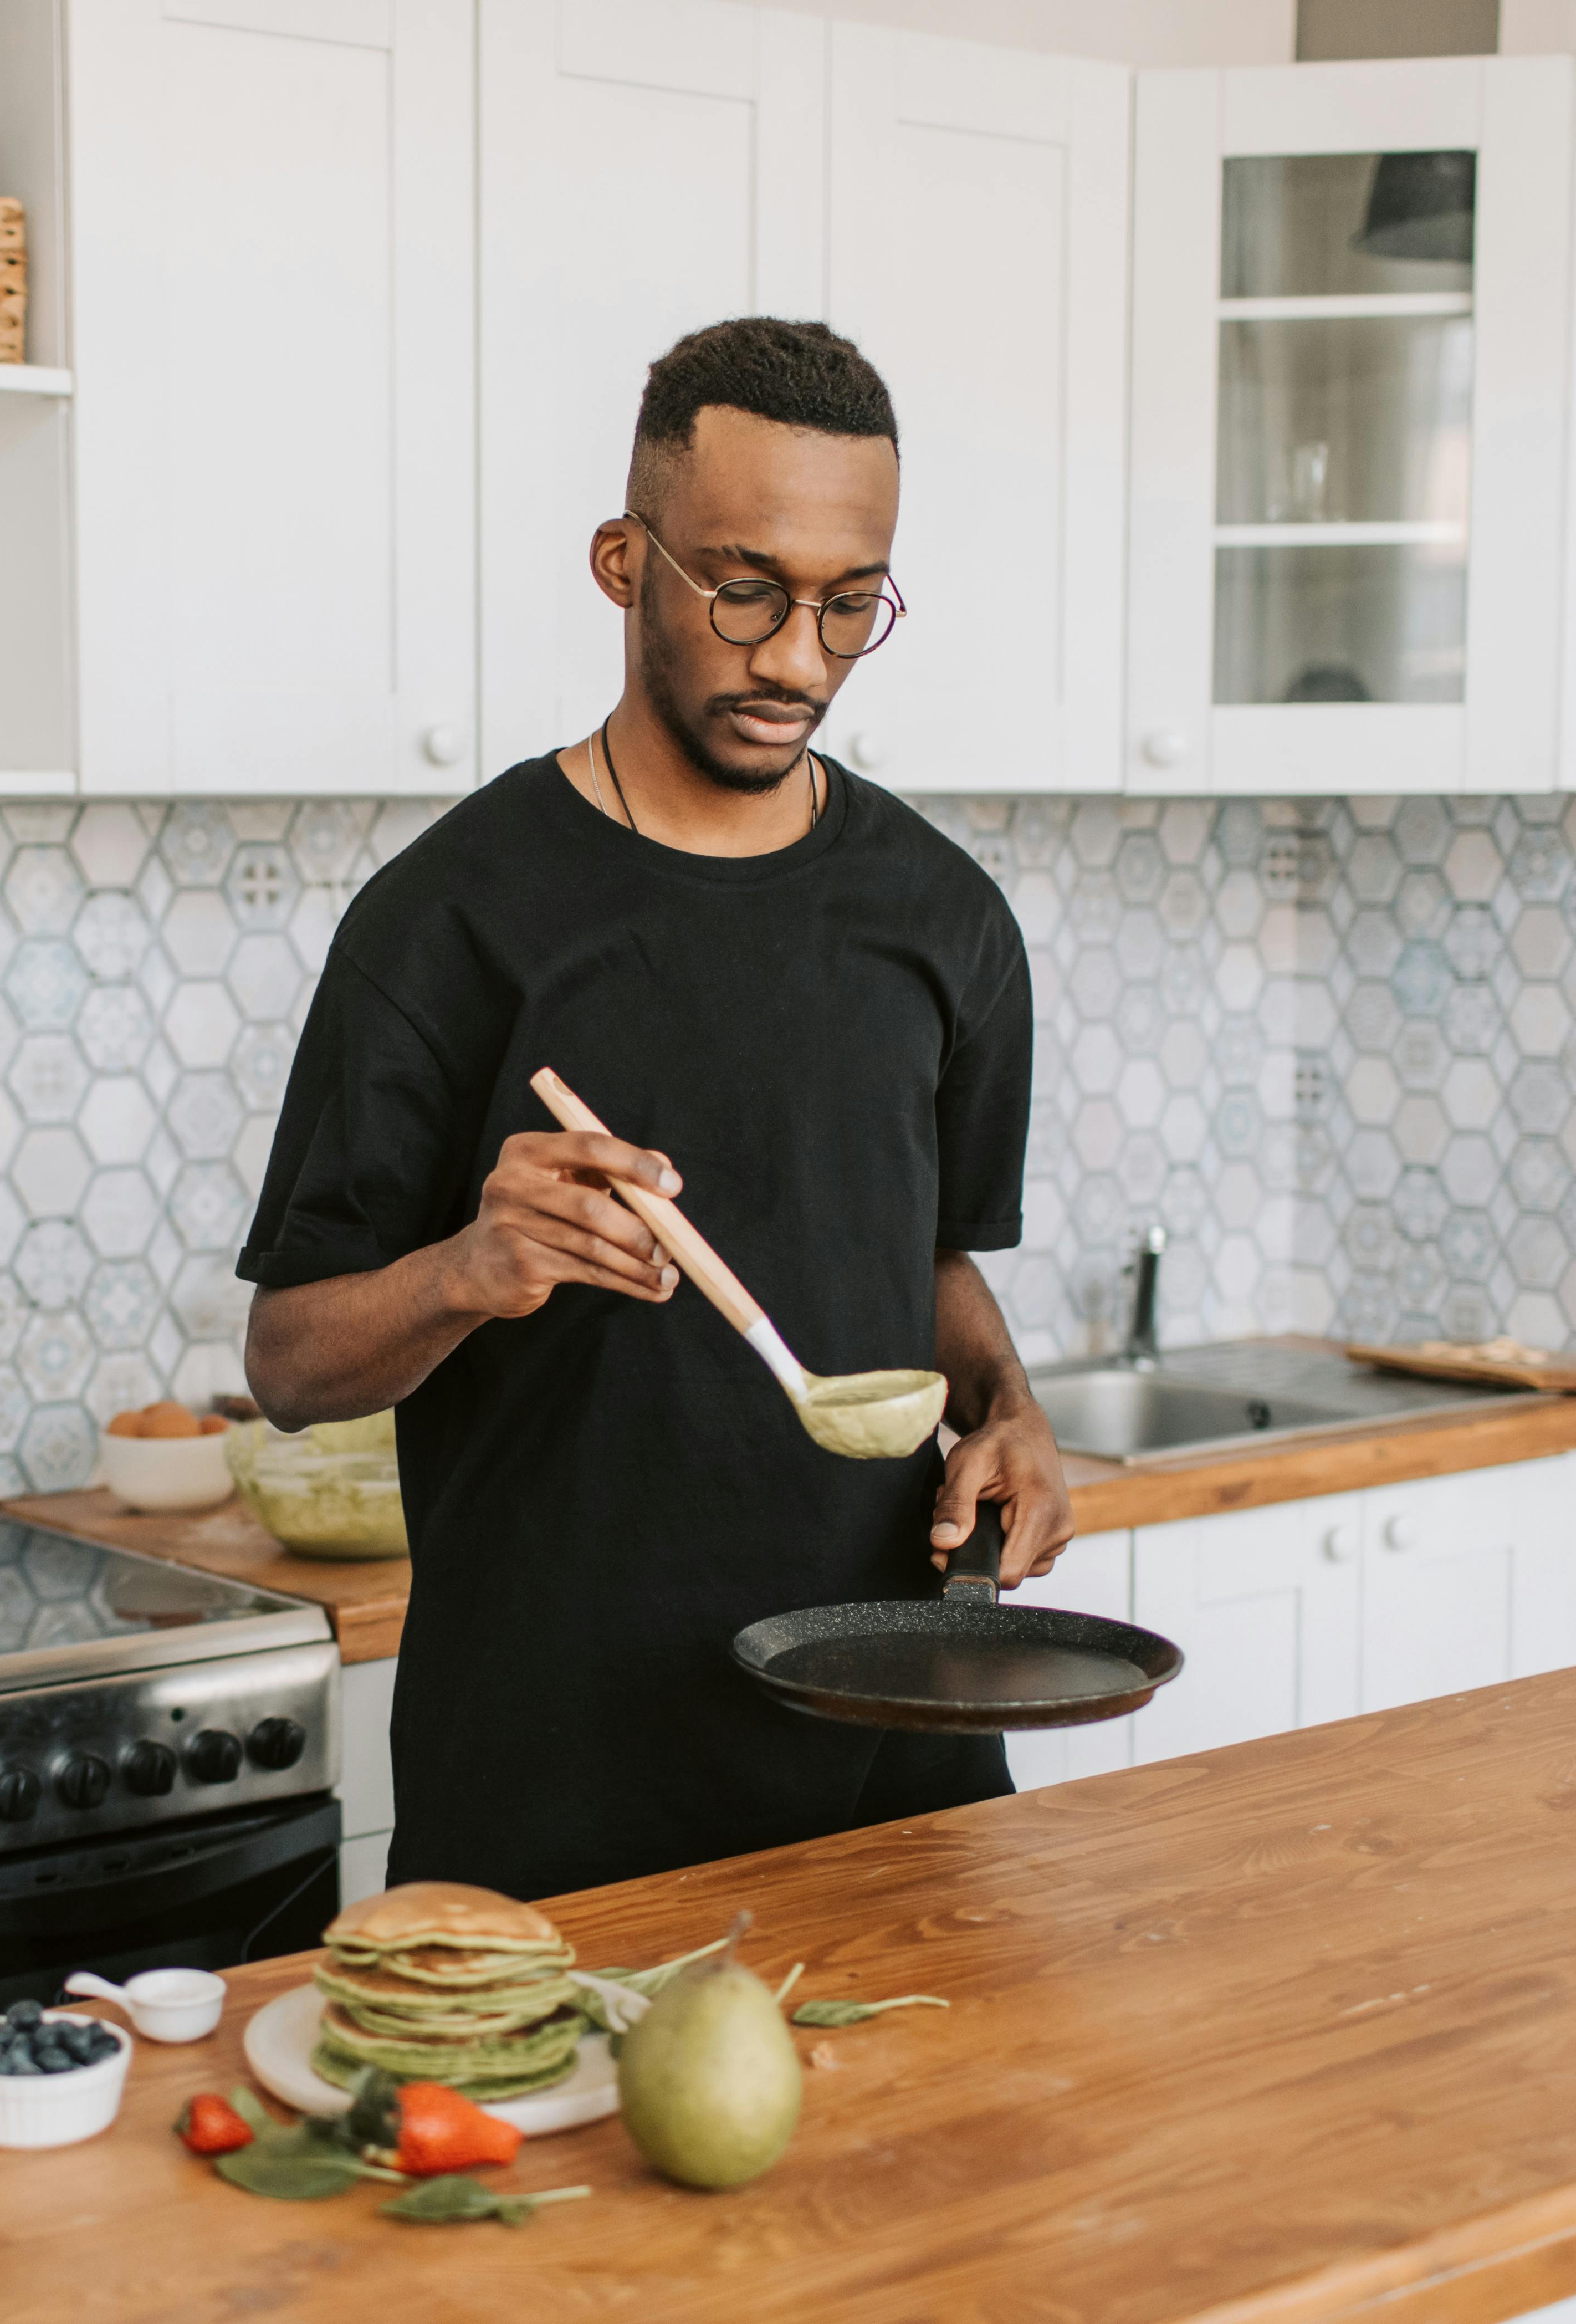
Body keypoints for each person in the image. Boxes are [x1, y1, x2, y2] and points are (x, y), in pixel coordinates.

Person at [236, 317, 1075, 1902]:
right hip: (563, 1793)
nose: (796, 658)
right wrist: (469, 1267)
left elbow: (929, 1264)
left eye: (847, 604)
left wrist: (1012, 1412)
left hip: (903, 1762)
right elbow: (287, 1364)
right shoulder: (449, 921)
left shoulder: (942, 919)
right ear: (626, 561)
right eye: (743, 588)